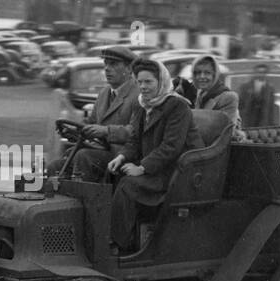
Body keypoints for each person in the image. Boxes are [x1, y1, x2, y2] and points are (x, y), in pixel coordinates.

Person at [107, 59, 202, 253]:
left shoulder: (177, 106)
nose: (143, 86)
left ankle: (117, 245)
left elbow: (171, 147)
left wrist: (141, 168)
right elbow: (134, 140)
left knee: (127, 185)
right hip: (156, 168)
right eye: (140, 82)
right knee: (110, 175)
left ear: (161, 82)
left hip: (176, 172)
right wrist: (122, 157)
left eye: (148, 82)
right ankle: (122, 235)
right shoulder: (143, 105)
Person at [49, 45, 141, 181]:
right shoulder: (104, 93)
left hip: (125, 157)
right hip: (100, 151)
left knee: (84, 157)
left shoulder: (139, 95)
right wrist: (74, 130)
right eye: (106, 64)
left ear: (128, 69)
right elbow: (91, 123)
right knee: (55, 166)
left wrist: (106, 131)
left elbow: (135, 132)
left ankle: (85, 200)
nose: (107, 69)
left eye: (114, 64)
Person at [189, 54, 241, 137]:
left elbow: (227, 131)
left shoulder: (228, 97)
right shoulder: (200, 94)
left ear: (215, 75)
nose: (202, 77)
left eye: (207, 73)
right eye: (198, 73)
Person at [238, 62, 276, 128]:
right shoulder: (245, 87)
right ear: (255, 73)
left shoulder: (270, 89)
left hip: (263, 120)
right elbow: (240, 104)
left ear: (266, 74)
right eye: (259, 72)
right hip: (248, 120)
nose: (261, 74)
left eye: (263, 72)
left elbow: (271, 108)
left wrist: (270, 122)